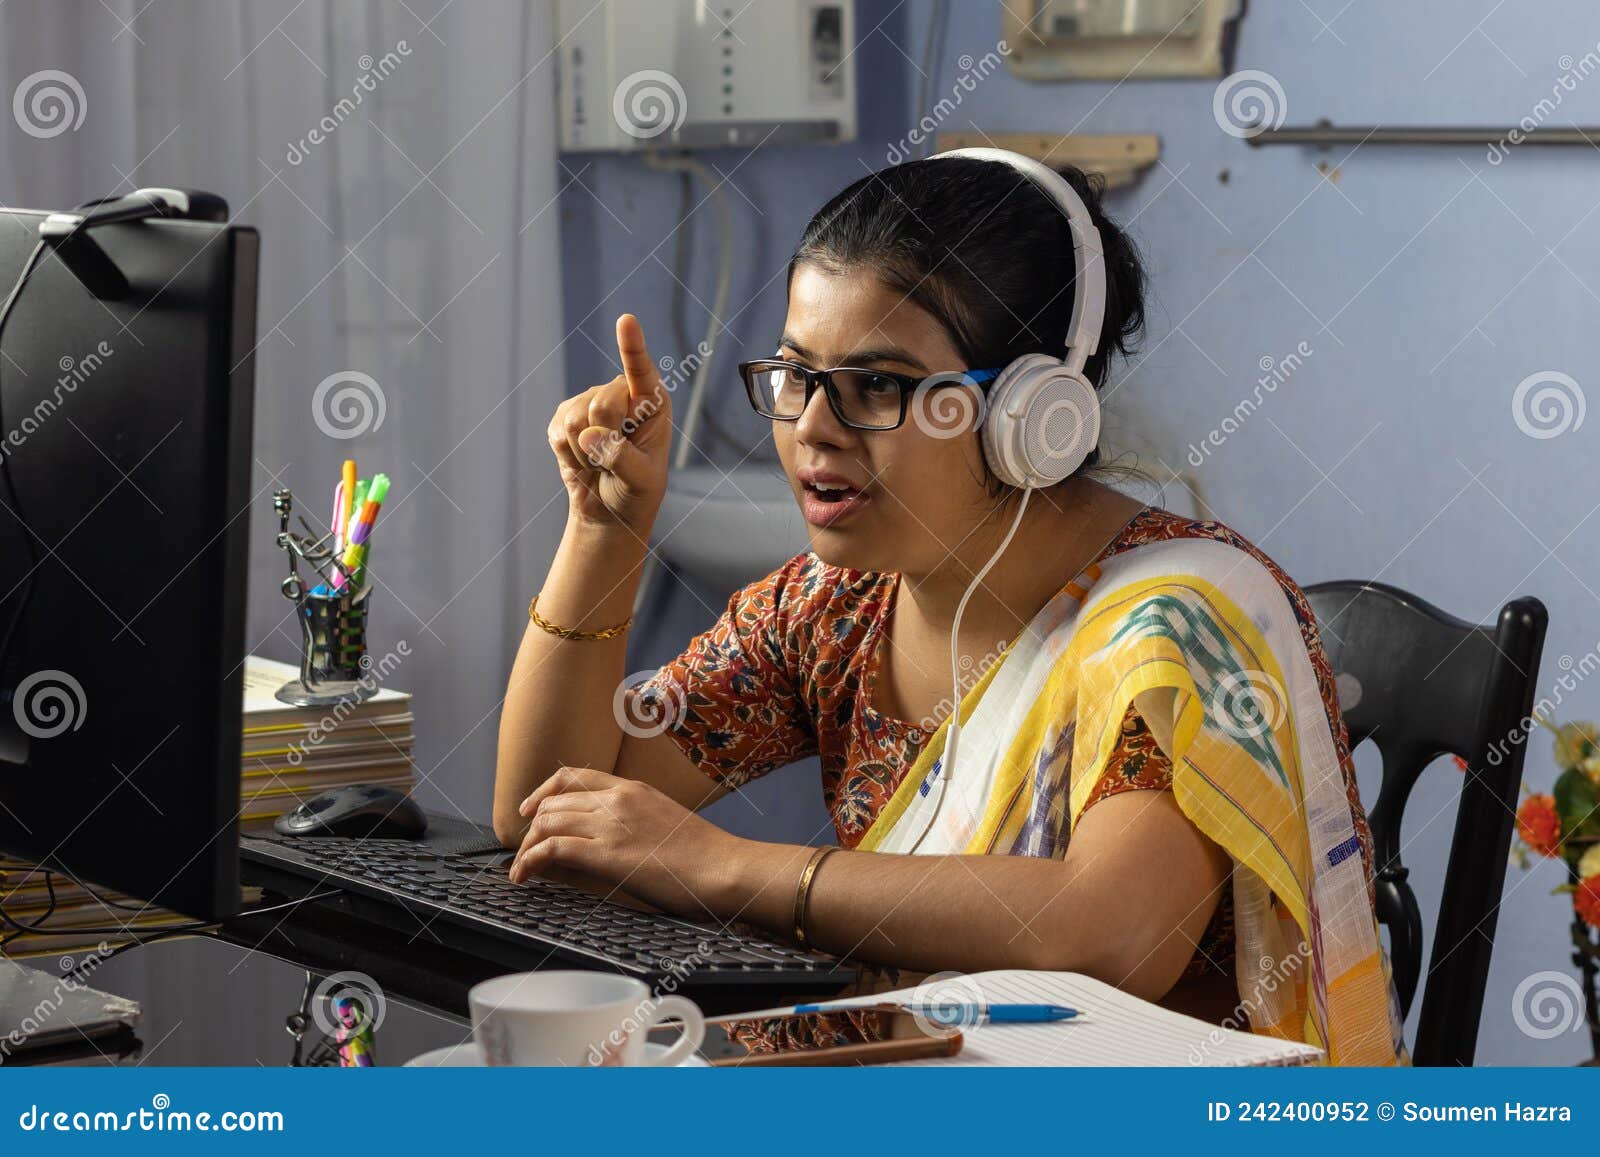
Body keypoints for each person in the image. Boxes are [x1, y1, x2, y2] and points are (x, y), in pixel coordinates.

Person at [494, 151, 1403, 1064]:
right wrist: (605, 531)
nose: (812, 425)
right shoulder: (831, 608)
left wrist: (716, 865)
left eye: (879, 385)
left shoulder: (1175, 626)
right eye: (796, 374)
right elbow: (548, 815)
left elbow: (1113, 931)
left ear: (1029, 416)